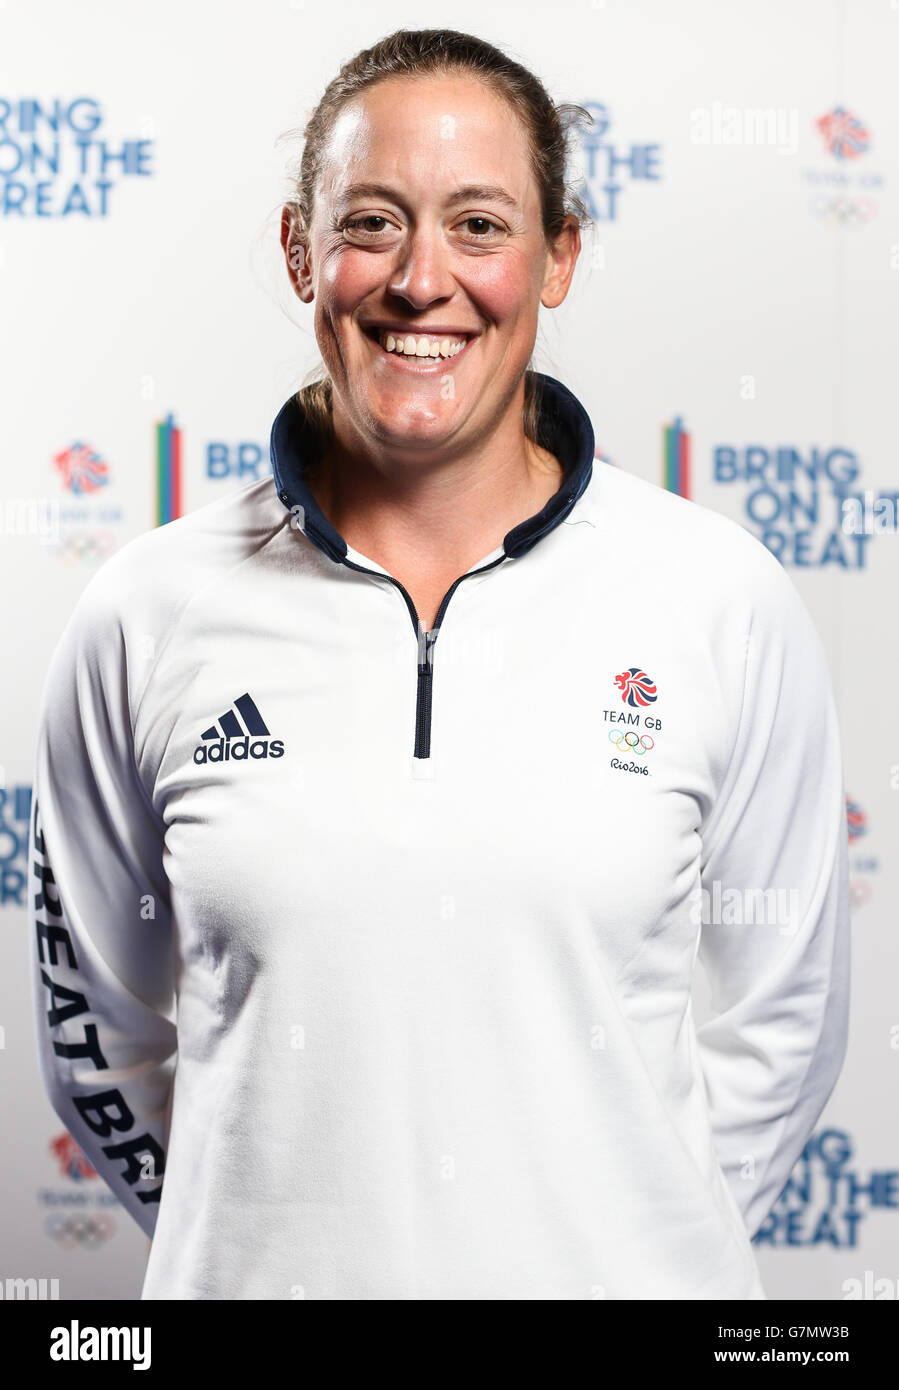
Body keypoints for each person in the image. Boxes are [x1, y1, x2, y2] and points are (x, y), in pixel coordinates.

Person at [27, 27, 850, 1301]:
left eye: (479, 225)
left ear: (555, 256)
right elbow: (99, 1041)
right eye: (371, 222)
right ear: (300, 252)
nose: (423, 280)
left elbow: (781, 1029)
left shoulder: (715, 596)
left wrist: (619, 1246)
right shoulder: (145, 613)